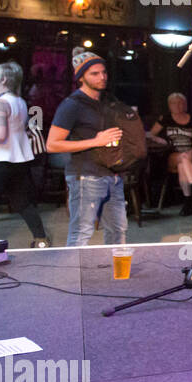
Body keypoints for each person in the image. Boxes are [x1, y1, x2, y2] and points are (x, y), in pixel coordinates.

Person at [46, 48, 127, 247]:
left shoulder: (106, 101)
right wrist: (96, 141)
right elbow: (52, 145)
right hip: (86, 176)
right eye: (95, 73)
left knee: (118, 231)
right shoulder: (71, 105)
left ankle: (115, 276)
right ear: (81, 77)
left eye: (104, 72)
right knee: (81, 233)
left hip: (112, 175)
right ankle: (72, 277)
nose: (102, 77)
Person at [0, 61, 50, 247]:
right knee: (22, 202)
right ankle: (41, 239)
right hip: (19, 160)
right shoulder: (20, 101)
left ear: (3, 79)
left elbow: (0, 135)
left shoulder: (0, 103)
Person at [147, 92, 192, 215]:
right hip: (172, 155)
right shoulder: (166, 118)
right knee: (182, 158)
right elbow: (151, 134)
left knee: (183, 165)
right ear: (169, 105)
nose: (178, 106)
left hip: (189, 155)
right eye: (174, 103)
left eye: (181, 103)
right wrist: (160, 140)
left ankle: (188, 204)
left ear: (185, 105)